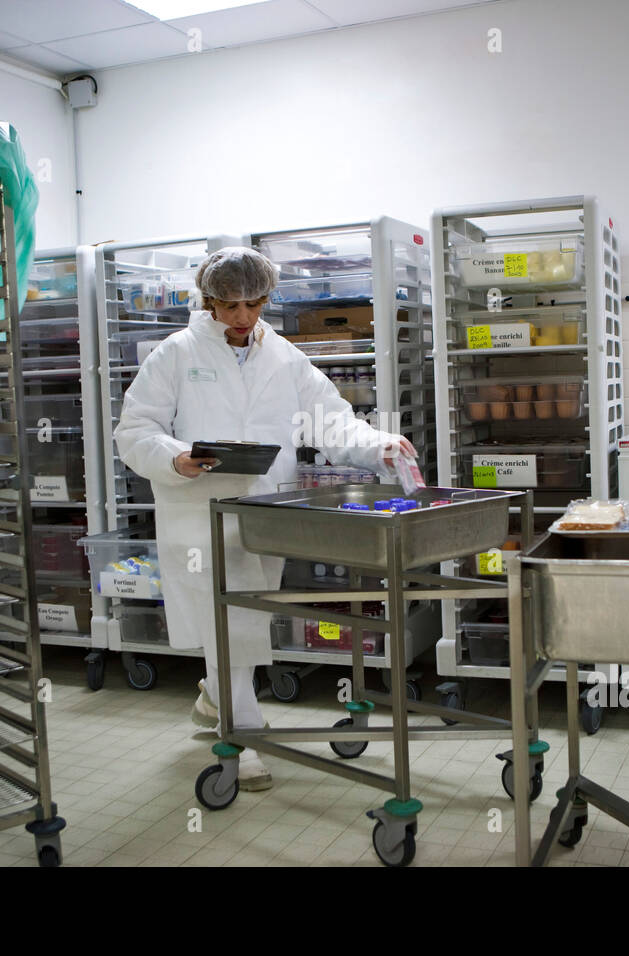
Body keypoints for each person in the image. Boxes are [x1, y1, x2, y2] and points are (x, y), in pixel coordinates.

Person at [114, 247, 416, 791]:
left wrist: (381, 446)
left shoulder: (284, 357)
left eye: (254, 303)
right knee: (221, 621)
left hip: (262, 512)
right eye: (230, 305)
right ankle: (245, 739)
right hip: (197, 510)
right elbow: (135, 432)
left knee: (245, 619)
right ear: (207, 301)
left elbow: (333, 423)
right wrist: (177, 458)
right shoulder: (176, 354)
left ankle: (216, 697)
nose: (243, 317)